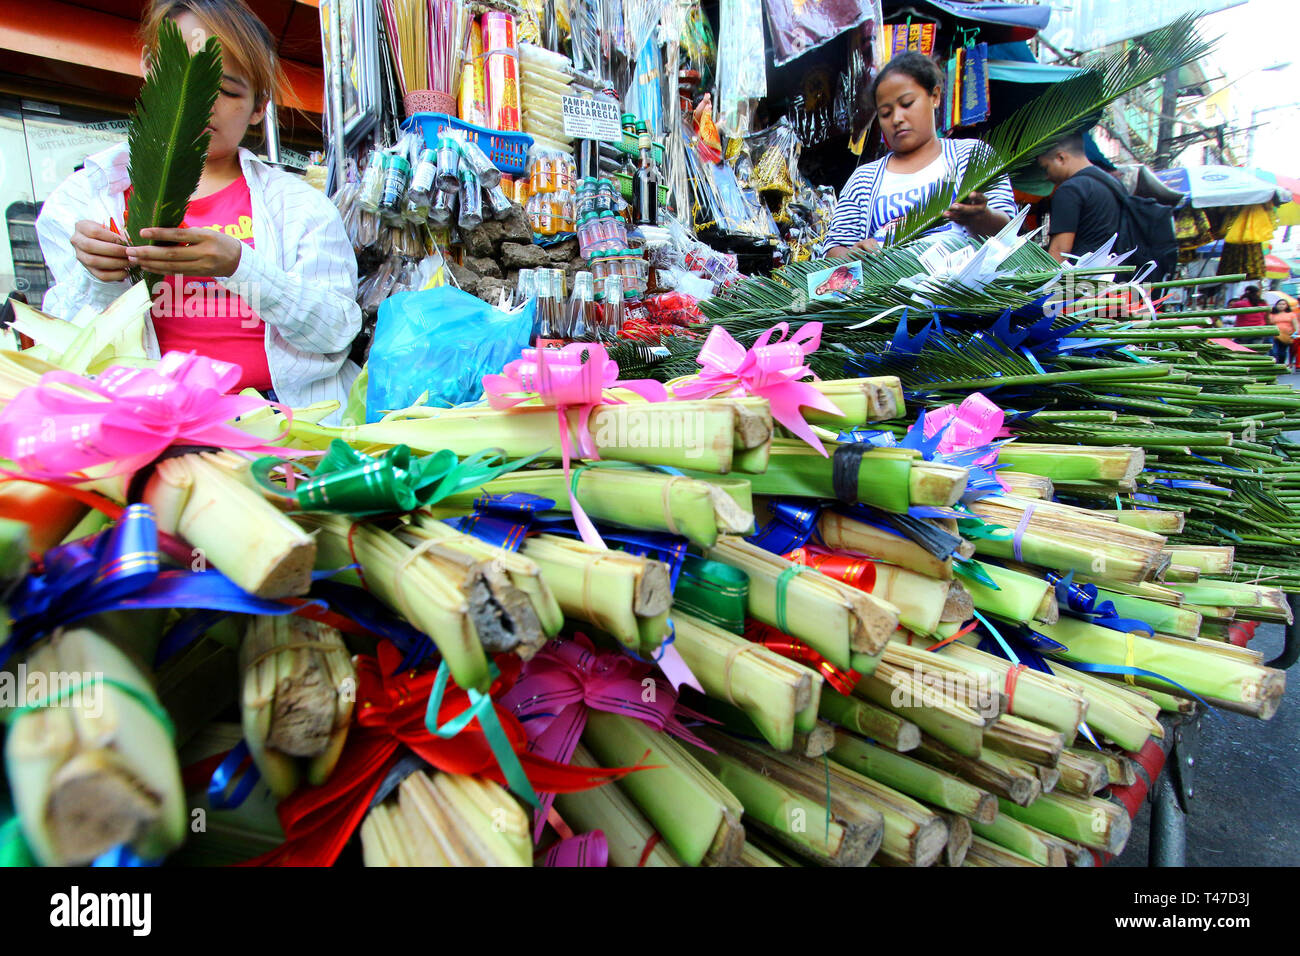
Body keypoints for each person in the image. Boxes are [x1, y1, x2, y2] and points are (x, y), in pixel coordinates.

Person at [36, 0, 361, 419]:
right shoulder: (88, 197)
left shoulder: (299, 205)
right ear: (151, 67)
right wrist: (96, 277)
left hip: (286, 419)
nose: (199, 101)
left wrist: (239, 266)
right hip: (146, 419)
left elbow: (336, 329)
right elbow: (69, 342)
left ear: (260, 106)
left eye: (227, 90)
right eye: (180, 75)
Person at [824, 52, 1016, 257]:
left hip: (963, 289)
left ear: (934, 96)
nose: (897, 118)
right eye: (885, 113)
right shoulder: (863, 180)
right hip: (889, 288)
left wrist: (980, 216)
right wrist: (854, 254)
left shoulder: (971, 156)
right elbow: (833, 249)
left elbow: (1007, 231)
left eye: (907, 104)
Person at [1036, 133, 1124, 262]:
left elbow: (1060, 250)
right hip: (1116, 271)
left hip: (1084, 277)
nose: (1047, 176)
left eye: (1046, 167)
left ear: (1060, 157)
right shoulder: (1114, 183)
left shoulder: (1070, 190)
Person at [1270, 299, 1296, 370]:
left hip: (1287, 336)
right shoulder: (1272, 315)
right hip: (1275, 336)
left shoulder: (1291, 314)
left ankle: (1281, 364)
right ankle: (1276, 366)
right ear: (1276, 305)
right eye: (1279, 304)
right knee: (1274, 352)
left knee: (1282, 352)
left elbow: (1296, 325)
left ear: (1287, 306)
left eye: (1283, 304)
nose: (1281, 306)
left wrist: (1295, 333)